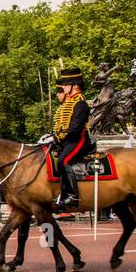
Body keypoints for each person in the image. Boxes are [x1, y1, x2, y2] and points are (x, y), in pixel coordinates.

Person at [51, 67, 94, 210]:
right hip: (67, 140)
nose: (62, 87)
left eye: (64, 84)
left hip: (78, 139)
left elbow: (75, 128)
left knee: (64, 161)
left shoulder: (80, 103)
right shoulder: (67, 104)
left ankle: (73, 196)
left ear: (73, 85)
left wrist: (62, 135)